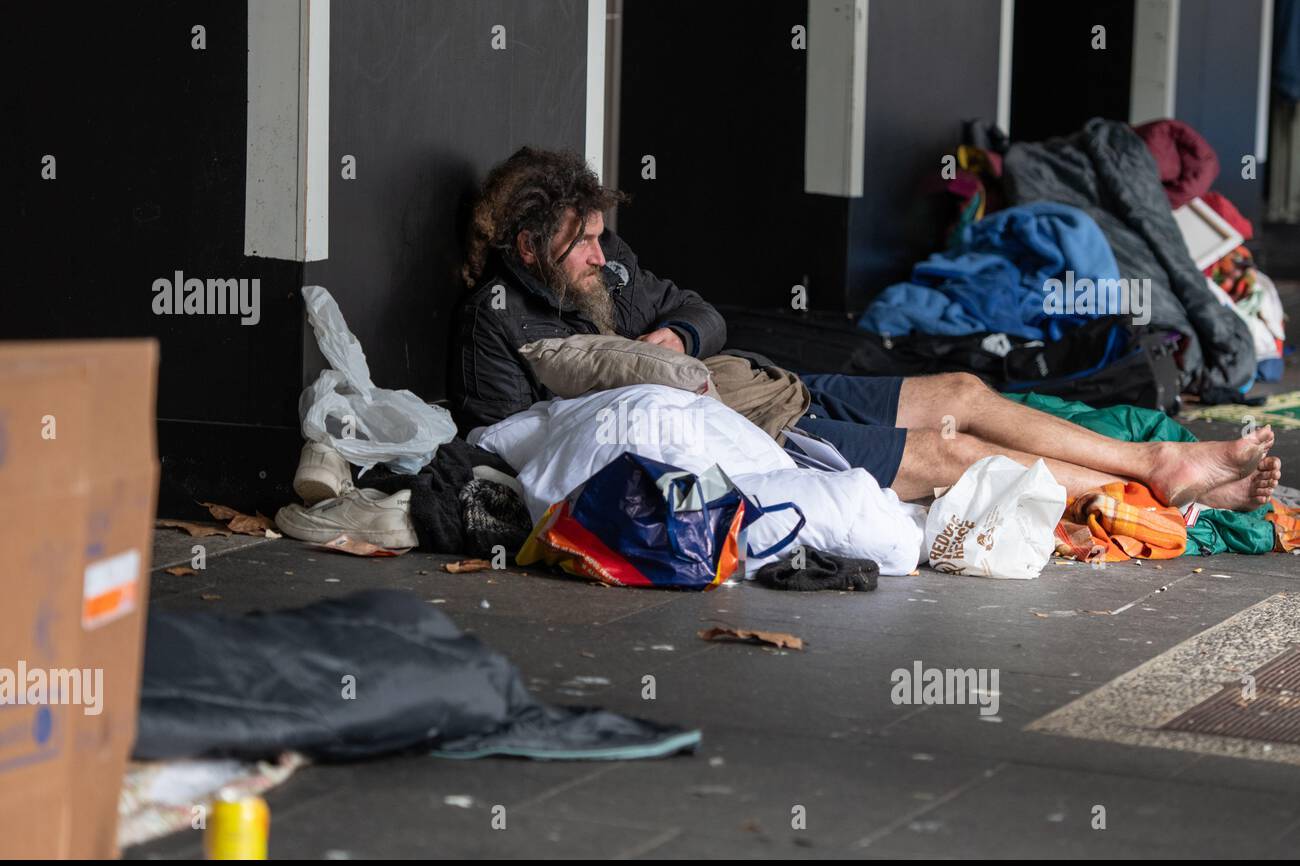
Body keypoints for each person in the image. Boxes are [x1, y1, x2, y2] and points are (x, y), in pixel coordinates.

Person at [451, 146, 1281, 509]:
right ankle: (1156, 497)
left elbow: (701, 310)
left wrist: (677, 342)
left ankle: (1158, 459)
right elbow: (510, 437)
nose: (601, 250)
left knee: (961, 389)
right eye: (582, 240)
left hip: (770, 386)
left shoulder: (612, 269)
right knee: (950, 455)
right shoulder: (497, 322)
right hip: (754, 435)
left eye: (600, 234)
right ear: (530, 245)